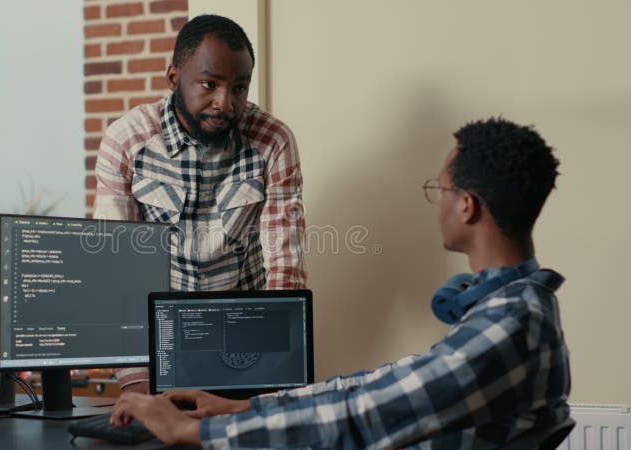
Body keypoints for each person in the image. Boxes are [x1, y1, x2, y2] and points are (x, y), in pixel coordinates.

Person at [109, 117, 571, 449]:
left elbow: (365, 416)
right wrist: (243, 408)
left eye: (441, 190)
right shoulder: (512, 306)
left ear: (467, 206)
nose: (437, 204)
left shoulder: (507, 327)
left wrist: (191, 431)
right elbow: (383, 384)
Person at [91, 14, 306, 393]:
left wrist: (275, 375)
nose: (225, 103)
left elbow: (285, 266)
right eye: (210, 84)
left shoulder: (273, 141)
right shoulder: (127, 140)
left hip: (247, 340)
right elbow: (117, 271)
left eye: (239, 88)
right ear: (173, 77)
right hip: (161, 347)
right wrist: (136, 382)